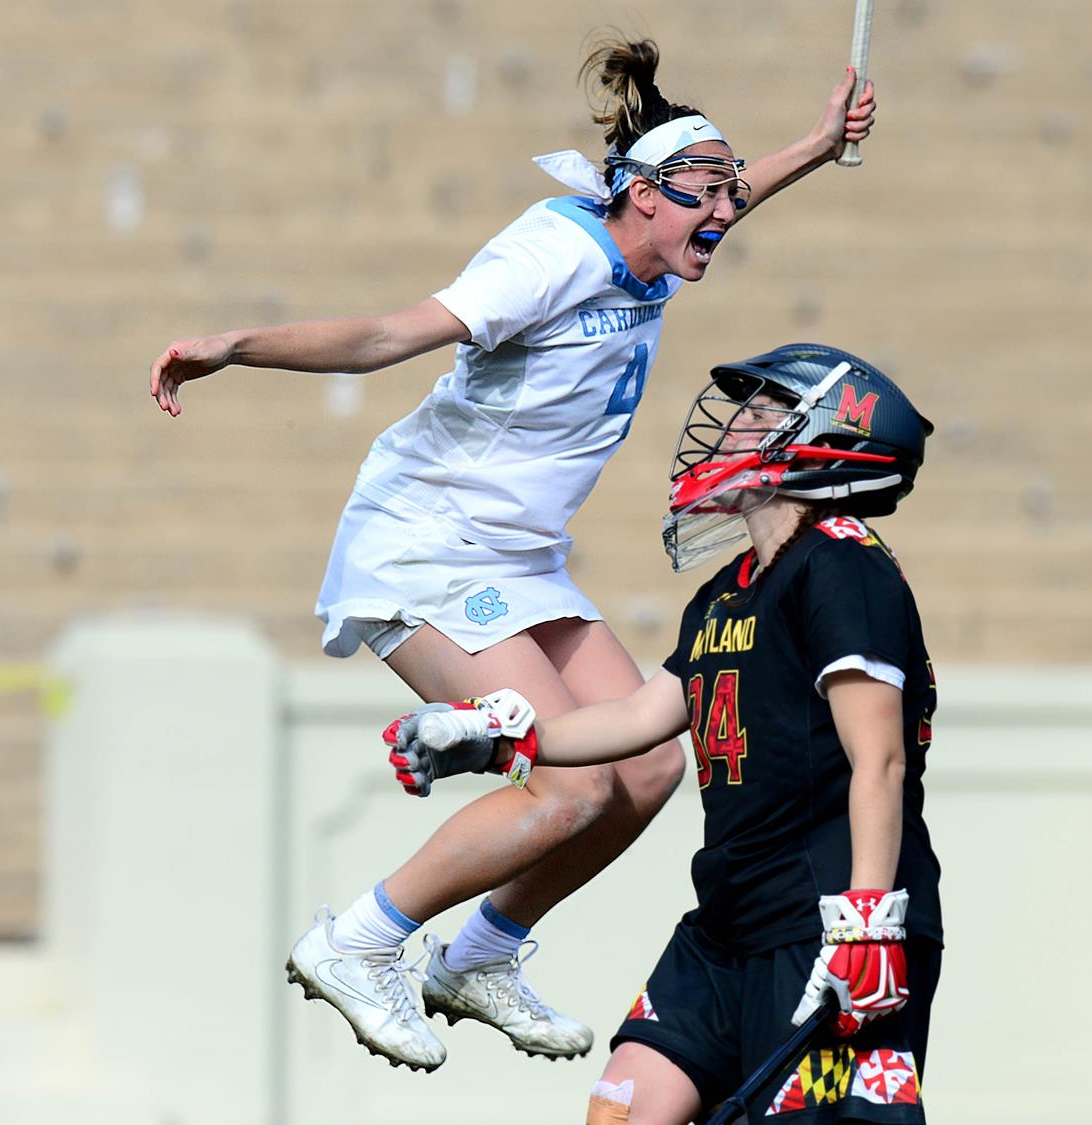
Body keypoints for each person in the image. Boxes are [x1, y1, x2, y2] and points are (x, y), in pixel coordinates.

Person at [150, 39, 878, 1071]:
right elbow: (386, 337)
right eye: (701, 192)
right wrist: (235, 346)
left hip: (516, 555)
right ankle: (356, 941)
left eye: (726, 189)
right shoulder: (555, 256)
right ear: (636, 194)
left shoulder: (656, 237)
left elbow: (724, 191)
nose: (723, 209)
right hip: (428, 546)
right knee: (570, 787)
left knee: (648, 763)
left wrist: (815, 142)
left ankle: (479, 955)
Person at [388, 343, 942, 1123]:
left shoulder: (841, 566)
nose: (729, 430)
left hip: (830, 917)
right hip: (726, 920)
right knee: (620, 1108)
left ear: (828, 438)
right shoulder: (729, 590)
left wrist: (868, 918)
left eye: (758, 413)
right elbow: (641, 717)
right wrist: (502, 739)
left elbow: (879, 761)